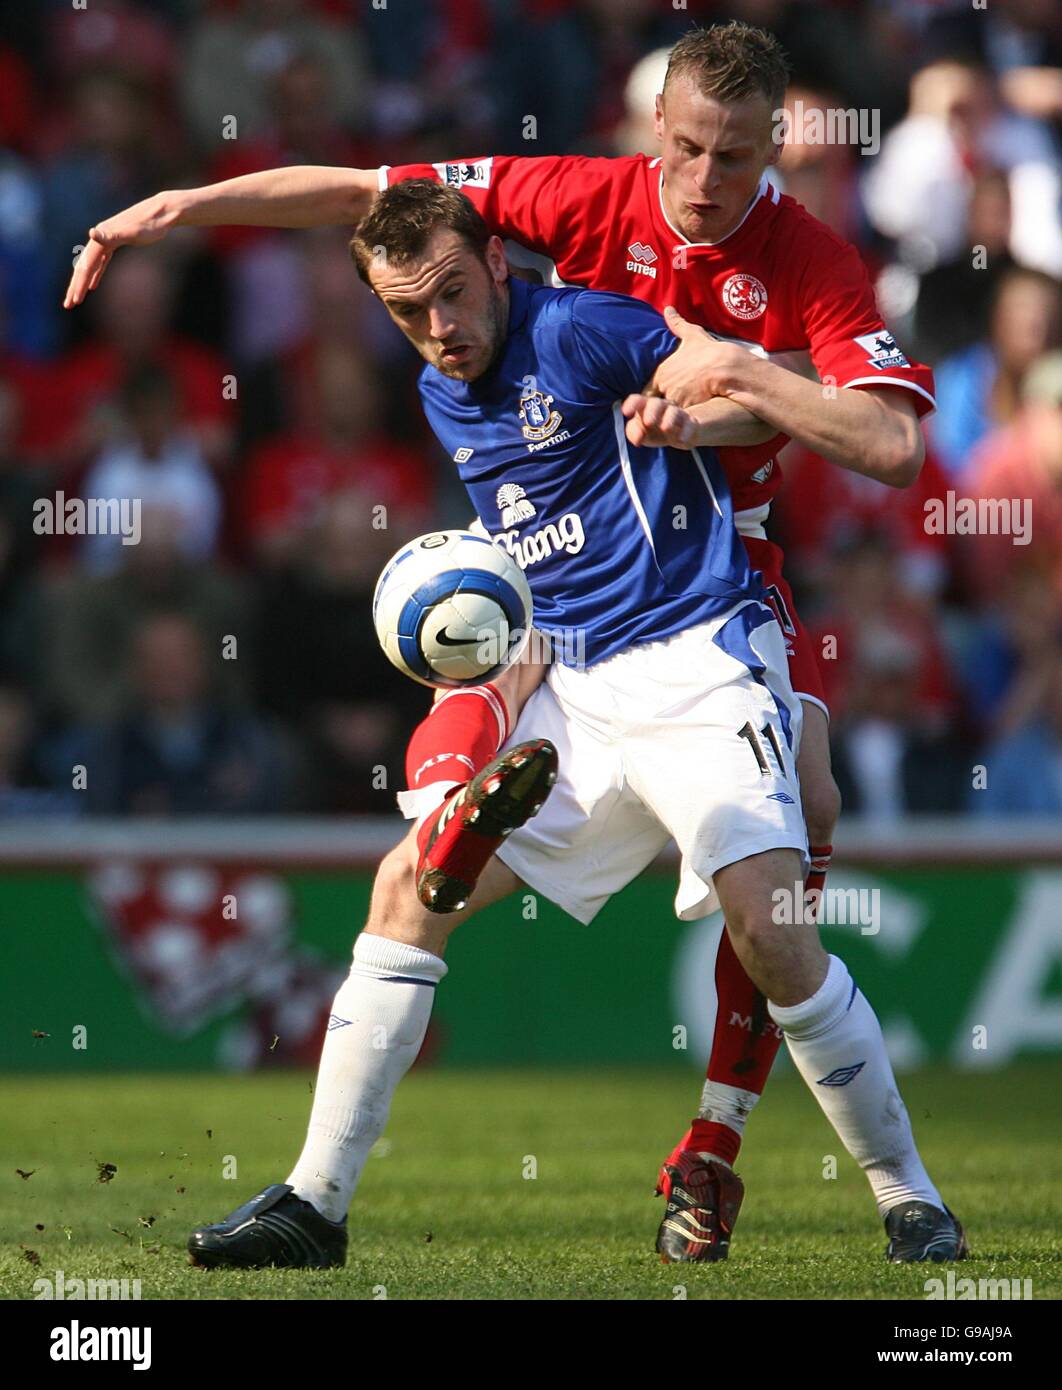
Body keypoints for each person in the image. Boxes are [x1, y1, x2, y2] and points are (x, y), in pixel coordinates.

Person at [65, 20, 938, 1264]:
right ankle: (315, 1205)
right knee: (416, 857)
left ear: (777, 149)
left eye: (735, 158)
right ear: (652, 131)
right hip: (578, 627)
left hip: (718, 589)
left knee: (786, 863)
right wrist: (185, 204)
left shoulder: (784, 265)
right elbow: (372, 193)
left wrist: (734, 379)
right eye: (686, 147)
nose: (703, 179)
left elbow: (894, 447)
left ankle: (854, 1178)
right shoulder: (552, 220)